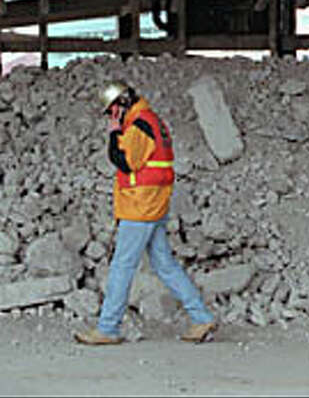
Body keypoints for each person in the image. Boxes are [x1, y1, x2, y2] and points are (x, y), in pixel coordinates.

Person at [74, 81, 217, 345]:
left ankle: (107, 328)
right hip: (153, 203)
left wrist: (114, 134)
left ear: (122, 104)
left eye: (111, 110)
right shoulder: (151, 120)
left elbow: (124, 161)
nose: (111, 116)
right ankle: (201, 318)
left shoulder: (139, 125)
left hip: (140, 206)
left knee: (122, 266)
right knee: (164, 264)